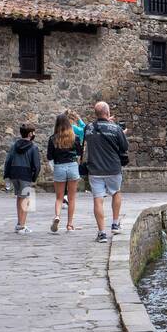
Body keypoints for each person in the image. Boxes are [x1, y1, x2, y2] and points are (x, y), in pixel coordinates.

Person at [83, 101, 129, 243]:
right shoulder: (115, 129)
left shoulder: (88, 128)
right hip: (113, 168)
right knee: (116, 192)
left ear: (95, 114)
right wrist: (122, 132)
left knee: (98, 198)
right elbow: (124, 147)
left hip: (95, 169)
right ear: (108, 113)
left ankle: (102, 233)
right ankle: (115, 224)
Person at [2, 122, 41, 235]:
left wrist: (7, 175)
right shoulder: (33, 147)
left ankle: (19, 223)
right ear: (30, 134)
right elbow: (36, 165)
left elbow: (8, 160)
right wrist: (34, 177)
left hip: (14, 173)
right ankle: (22, 226)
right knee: (26, 200)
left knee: (19, 198)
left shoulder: (14, 145)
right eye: (33, 132)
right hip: (25, 174)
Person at [46, 113, 83, 233]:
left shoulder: (53, 138)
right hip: (72, 166)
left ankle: (57, 216)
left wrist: (54, 169)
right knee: (72, 198)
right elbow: (79, 153)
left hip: (59, 166)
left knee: (59, 197)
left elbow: (49, 156)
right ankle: (69, 224)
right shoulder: (75, 137)